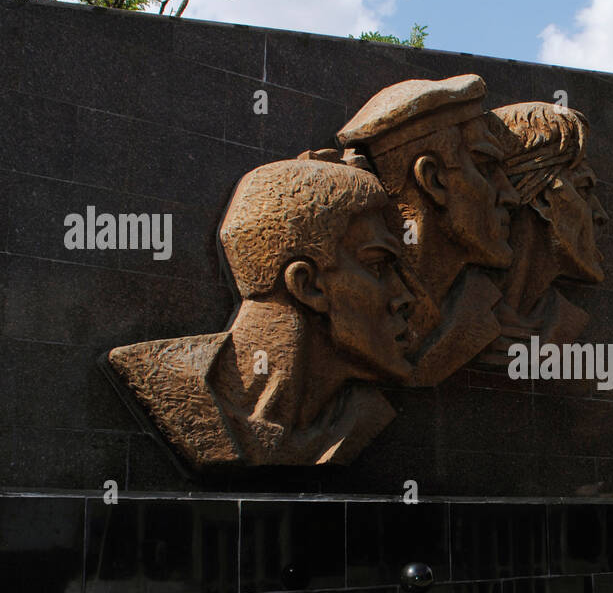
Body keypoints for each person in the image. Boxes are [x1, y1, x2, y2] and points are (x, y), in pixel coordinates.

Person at [106, 154, 413, 468]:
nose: (405, 297)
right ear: (307, 285)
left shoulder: (358, 421)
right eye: (377, 266)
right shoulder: (170, 388)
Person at [337, 74, 520, 386]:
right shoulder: (350, 311)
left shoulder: (482, 311)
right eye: (486, 168)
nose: (511, 196)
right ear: (433, 179)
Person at [475, 102, 609, 367]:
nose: (601, 215)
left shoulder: (565, 323)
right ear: (543, 201)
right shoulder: (457, 321)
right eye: (583, 189)